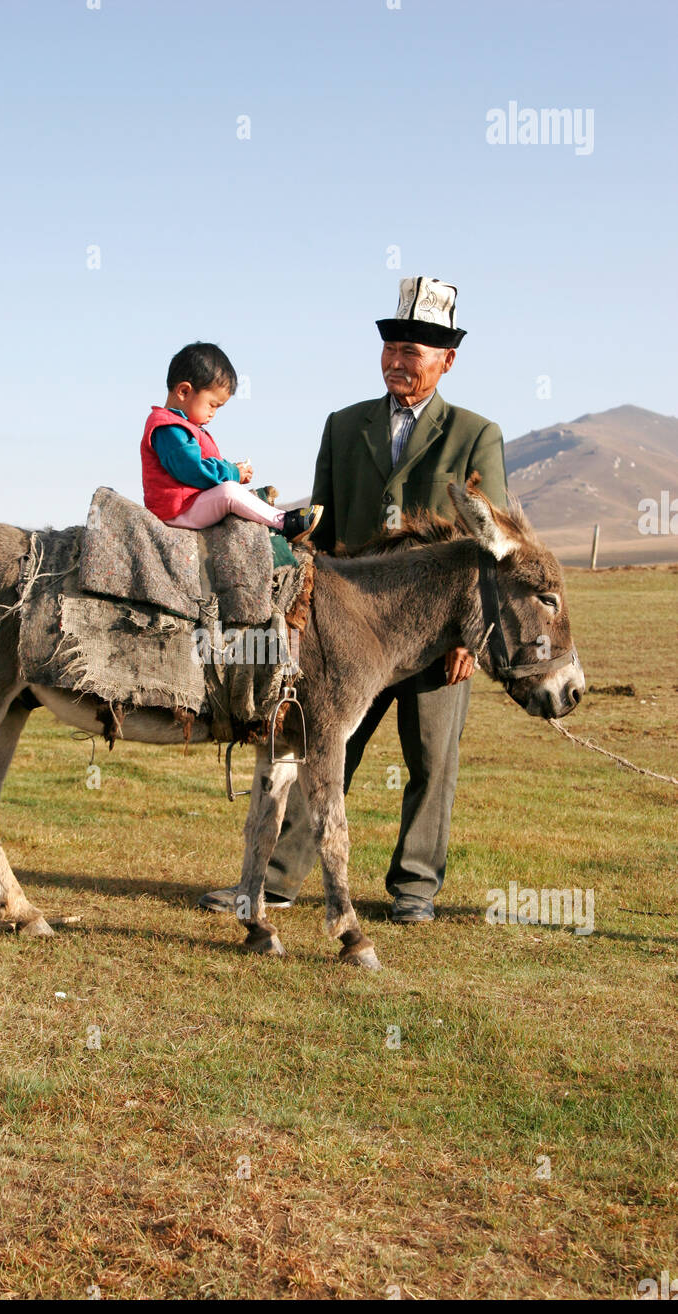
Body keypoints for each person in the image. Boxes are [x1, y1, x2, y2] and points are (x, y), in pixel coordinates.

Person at [199, 277, 508, 924]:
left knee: (431, 762)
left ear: (447, 360)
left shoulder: (477, 435)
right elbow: (325, 528)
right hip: (347, 634)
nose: (399, 360)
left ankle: (415, 890)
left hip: (437, 633)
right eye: (392, 346)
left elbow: (490, 546)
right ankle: (278, 880)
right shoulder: (344, 427)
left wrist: (468, 641)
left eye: (415, 351)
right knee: (324, 749)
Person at [141, 341, 322, 543]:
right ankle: (284, 522)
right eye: (212, 405)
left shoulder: (181, 426)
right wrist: (232, 473)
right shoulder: (168, 428)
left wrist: (233, 471)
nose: (213, 414)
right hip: (177, 510)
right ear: (184, 391)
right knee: (230, 492)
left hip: (188, 504)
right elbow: (192, 469)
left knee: (232, 491)